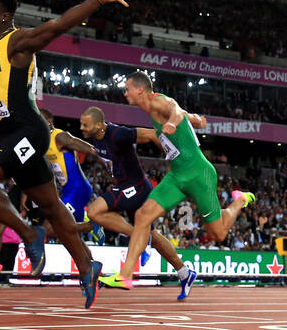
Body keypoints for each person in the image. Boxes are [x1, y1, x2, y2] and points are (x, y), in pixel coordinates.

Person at [0, 0, 136, 309]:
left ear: (2, 17)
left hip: (28, 132)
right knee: (53, 208)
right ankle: (88, 265)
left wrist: (97, 0)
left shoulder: (18, 43)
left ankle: (28, 233)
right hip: (12, 133)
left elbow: (57, 26)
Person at [99, 72, 254, 290]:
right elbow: (184, 114)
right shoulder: (151, 112)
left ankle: (239, 200)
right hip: (177, 176)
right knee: (142, 215)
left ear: (140, 90)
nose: (125, 93)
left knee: (218, 233)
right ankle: (125, 276)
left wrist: (173, 122)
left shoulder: (159, 102)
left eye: (128, 89)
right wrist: (196, 120)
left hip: (199, 174)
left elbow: (175, 109)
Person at [79, 104, 201, 300]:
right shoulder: (94, 138)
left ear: (100, 125)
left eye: (85, 125)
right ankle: (185, 273)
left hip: (136, 186)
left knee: (94, 211)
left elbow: (153, 134)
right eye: (81, 124)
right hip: (126, 185)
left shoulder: (118, 133)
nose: (82, 128)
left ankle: (141, 240)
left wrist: (173, 160)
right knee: (150, 232)